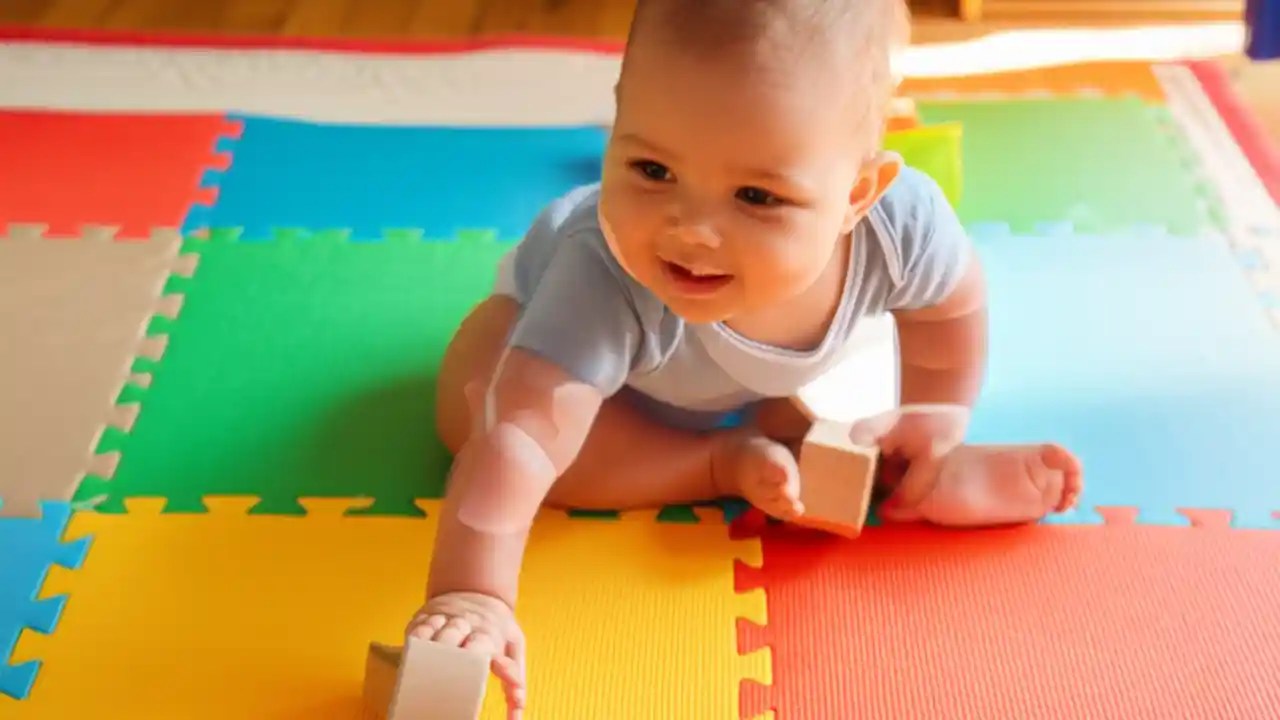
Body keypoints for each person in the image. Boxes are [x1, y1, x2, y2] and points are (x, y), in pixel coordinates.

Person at [408, 0, 1081, 716]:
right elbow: (518, 442)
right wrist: (474, 595)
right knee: (478, 408)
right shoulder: (603, 272)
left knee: (865, 404)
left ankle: (924, 465)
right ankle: (716, 463)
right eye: (653, 169)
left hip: (773, 369)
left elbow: (950, 307)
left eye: (756, 196)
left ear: (856, 196)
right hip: (596, 373)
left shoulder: (901, 230)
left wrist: (937, 409)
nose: (691, 231)